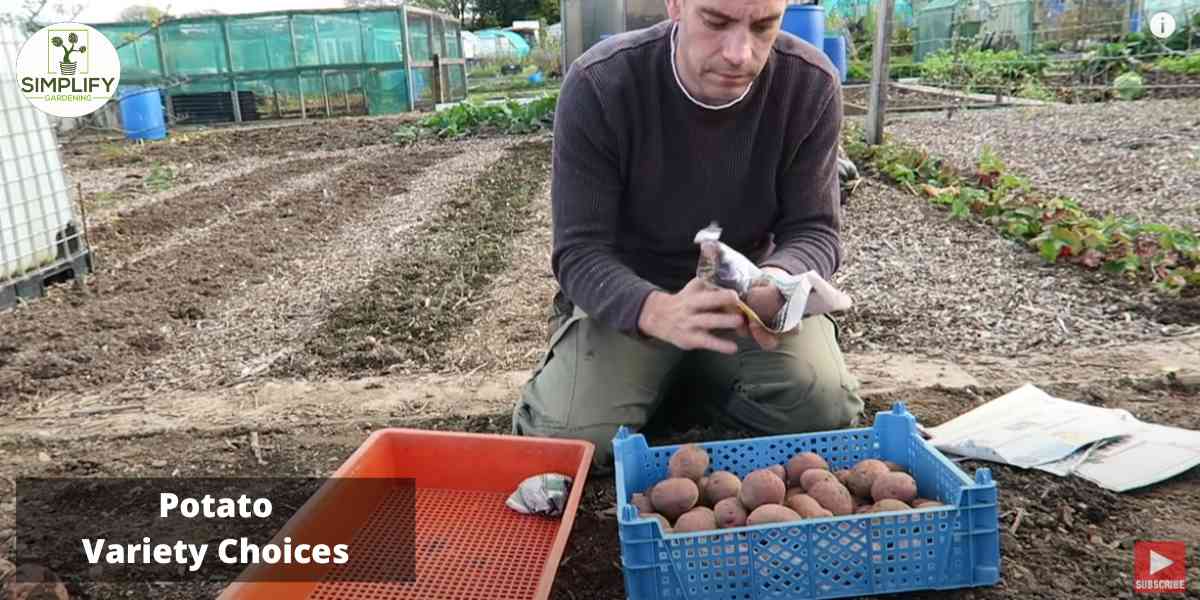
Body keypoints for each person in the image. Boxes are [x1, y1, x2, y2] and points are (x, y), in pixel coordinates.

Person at [511, 0, 864, 473]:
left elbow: (814, 228)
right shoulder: (602, 84)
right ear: (675, 4)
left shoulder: (808, 83)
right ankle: (662, 375)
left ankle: (680, 382)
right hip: (634, 296)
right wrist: (654, 310)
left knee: (826, 409)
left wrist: (773, 283)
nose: (740, 53)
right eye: (716, 22)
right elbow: (580, 250)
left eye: (763, 26)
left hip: (740, 306)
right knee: (570, 441)